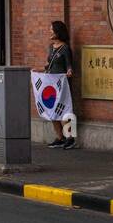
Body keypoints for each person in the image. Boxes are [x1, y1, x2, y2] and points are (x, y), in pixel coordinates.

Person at [39, 20, 75, 149]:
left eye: (52, 30)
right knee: (52, 110)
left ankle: (70, 137)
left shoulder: (65, 48)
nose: (50, 31)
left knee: (64, 110)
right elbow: (49, 64)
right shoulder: (50, 47)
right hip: (50, 84)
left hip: (62, 85)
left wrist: (69, 71)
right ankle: (60, 137)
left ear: (58, 32)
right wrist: (39, 70)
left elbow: (69, 65)